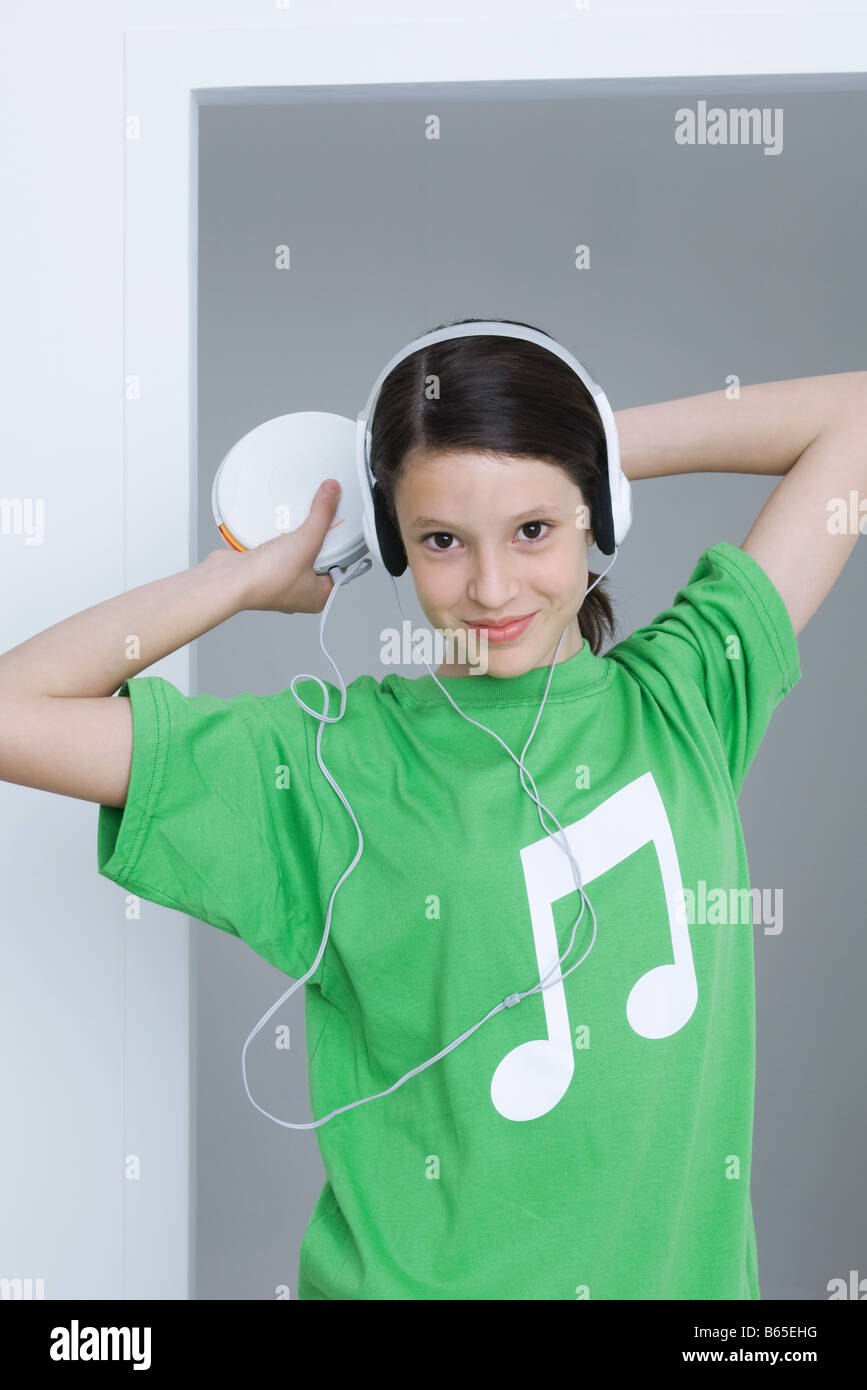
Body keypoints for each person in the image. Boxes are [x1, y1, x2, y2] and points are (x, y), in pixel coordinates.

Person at [0, 319, 864, 1301]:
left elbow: (857, 418)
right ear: (390, 543)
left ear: (601, 512)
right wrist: (235, 578)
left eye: (534, 528)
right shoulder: (325, 767)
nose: (491, 587)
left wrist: (590, 439)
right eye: (442, 538)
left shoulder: (690, 694)